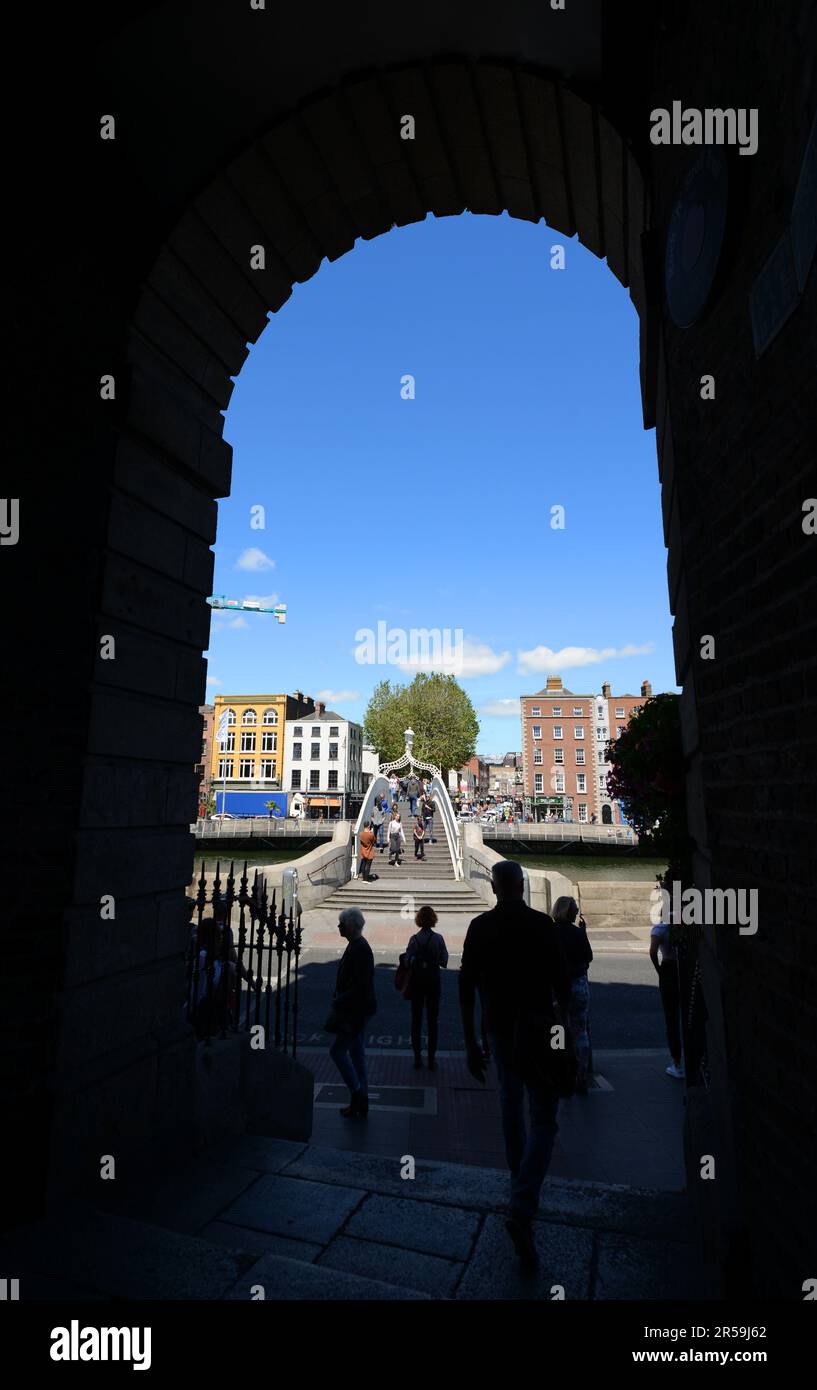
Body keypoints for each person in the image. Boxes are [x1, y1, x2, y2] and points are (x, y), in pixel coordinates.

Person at [459, 860, 571, 1269]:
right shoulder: (542, 926)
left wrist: (470, 1042)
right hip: (539, 1029)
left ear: (493, 887)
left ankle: (516, 1186)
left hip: (499, 1030)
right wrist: (566, 1035)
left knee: (509, 1103)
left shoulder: (480, 927)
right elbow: (564, 988)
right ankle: (523, 1201)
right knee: (544, 1116)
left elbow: (465, 987)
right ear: (521, 886)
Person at [326, 908, 377, 1117]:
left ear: (352, 926)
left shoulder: (360, 948)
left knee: (337, 1052)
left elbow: (360, 985)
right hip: (360, 1008)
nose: (339, 927)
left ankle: (357, 1094)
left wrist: (340, 998)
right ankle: (361, 1099)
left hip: (356, 1010)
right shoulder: (356, 946)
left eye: (342, 924)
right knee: (357, 1054)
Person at [551, 896, 593, 1093]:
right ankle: (582, 1076)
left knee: (557, 1030)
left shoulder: (550, 932)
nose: (576, 911)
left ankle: (559, 1072)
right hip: (578, 984)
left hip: (557, 987)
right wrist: (583, 933)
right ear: (570, 912)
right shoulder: (577, 933)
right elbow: (588, 957)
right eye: (575, 909)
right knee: (580, 1031)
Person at [405, 905, 449, 1069]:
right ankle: (431, 1058)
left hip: (417, 982)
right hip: (433, 981)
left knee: (416, 1020)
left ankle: (417, 1057)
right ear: (433, 919)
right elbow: (444, 959)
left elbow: (407, 960)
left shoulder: (414, 939)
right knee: (432, 1021)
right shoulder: (438, 938)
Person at [650, 881, 684, 1079]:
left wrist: (659, 971)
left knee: (671, 1020)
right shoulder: (684, 923)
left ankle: (676, 1063)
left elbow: (653, 951)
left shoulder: (661, 927)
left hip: (669, 969)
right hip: (684, 969)